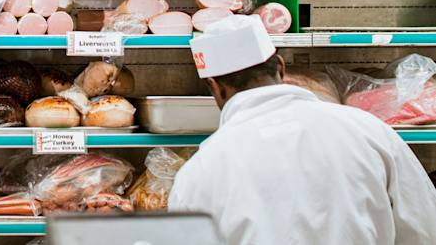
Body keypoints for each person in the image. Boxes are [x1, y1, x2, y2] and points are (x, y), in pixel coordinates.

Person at [168, 14, 436, 245]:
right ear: (281, 68)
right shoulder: (369, 131)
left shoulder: (200, 172)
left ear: (214, 86)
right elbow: (423, 227)